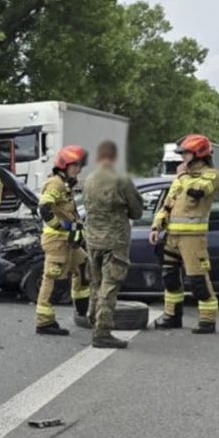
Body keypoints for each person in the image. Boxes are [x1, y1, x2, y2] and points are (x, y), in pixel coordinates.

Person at [149, 133, 219, 333]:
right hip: (171, 237)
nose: (182, 158)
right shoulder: (181, 177)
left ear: (199, 154)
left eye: (186, 154)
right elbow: (168, 204)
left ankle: (207, 321)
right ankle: (172, 316)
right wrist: (156, 226)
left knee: (198, 280)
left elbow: (196, 192)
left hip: (193, 239)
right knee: (169, 278)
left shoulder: (211, 175)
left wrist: (182, 176)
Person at [79, 140, 144, 349]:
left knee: (95, 283)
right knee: (110, 285)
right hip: (114, 240)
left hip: (92, 240)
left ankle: (92, 317)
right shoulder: (120, 179)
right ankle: (102, 331)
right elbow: (137, 211)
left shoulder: (88, 179)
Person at [34, 145, 90, 336]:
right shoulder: (55, 184)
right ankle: (44, 322)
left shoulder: (66, 186)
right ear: (64, 166)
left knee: (84, 266)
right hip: (57, 241)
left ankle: (82, 312)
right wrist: (62, 227)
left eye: (79, 166)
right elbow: (44, 209)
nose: (79, 169)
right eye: (75, 166)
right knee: (53, 279)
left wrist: (76, 228)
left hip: (68, 241)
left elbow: (67, 211)